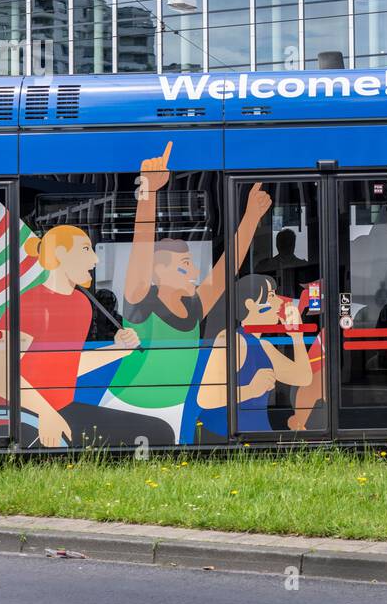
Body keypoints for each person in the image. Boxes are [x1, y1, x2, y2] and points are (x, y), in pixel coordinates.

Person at [103, 143, 273, 440]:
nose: (194, 272)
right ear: (158, 272)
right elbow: (142, 244)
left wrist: (250, 218)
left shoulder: (193, 306)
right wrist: (149, 191)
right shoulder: (141, 300)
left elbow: (227, 268)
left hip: (174, 409)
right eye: (185, 264)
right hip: (125, 408)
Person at [0, 225, 171, 448]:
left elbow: (67, 366)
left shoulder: (80, 304)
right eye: (86, 249)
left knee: (159, 430)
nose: (96, 259)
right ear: (60, 253)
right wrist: (45, 413)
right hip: (24, 415)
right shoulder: (29, 305)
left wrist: (119, 349)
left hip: (62, 407)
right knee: (155, 433)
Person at [230, 274, 314, 433]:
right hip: (240, 431)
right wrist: (251, 389)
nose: (280, 301)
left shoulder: (262, 345)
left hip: (258, 430)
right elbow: (205, 397)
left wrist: (297, 336)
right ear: (250, 304)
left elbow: (303, 378)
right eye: (271, 296)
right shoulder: (236, 341)